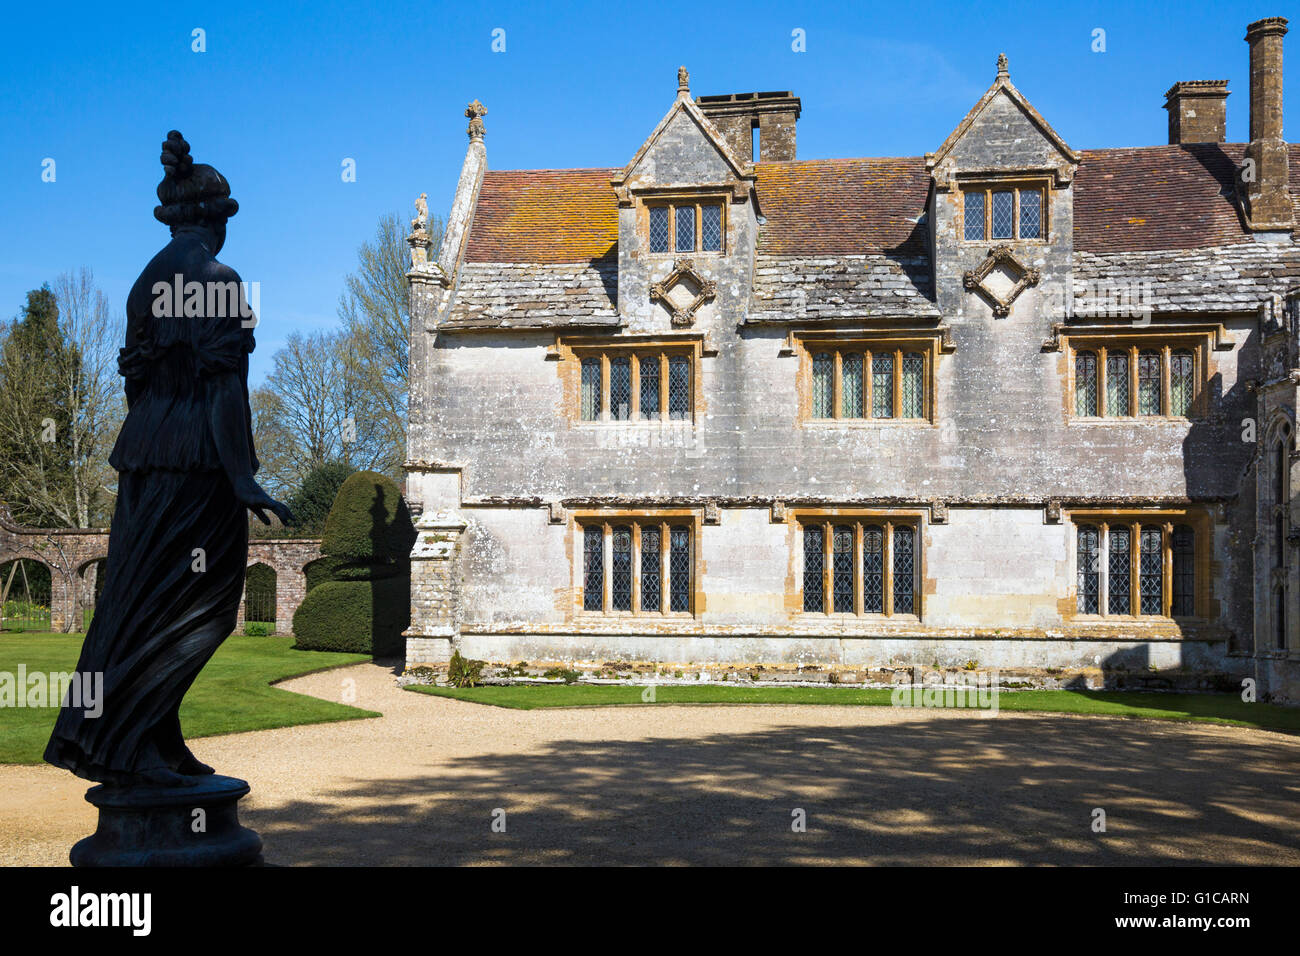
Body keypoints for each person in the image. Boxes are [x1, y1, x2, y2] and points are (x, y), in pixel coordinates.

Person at [45, 131, 291, 787]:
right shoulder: (216, 280)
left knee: (139, 595)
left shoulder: (145, 282)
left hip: (147, 453)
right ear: (218, 219)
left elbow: (134, 379)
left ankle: (150, 736)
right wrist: (242, 476)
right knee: (199, 606)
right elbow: (222, 386)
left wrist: (156, 433)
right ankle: (131, 742)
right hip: (198, 462)